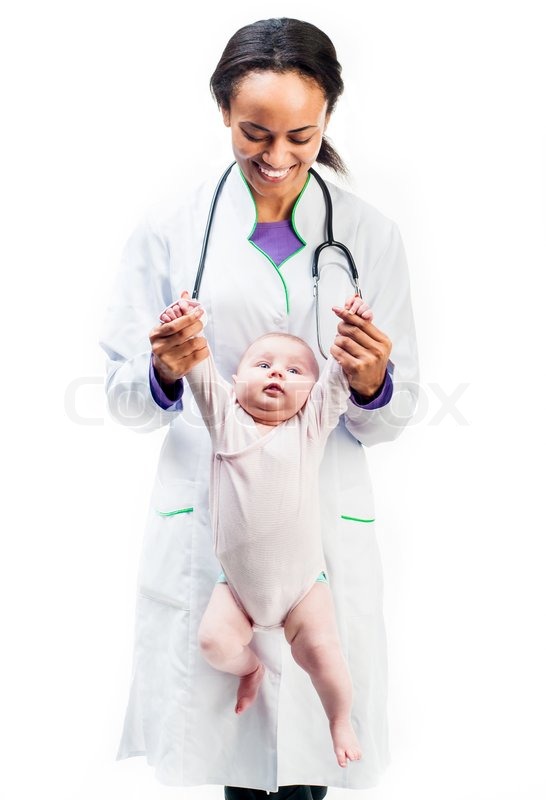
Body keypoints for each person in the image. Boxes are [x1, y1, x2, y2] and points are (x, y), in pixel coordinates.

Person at [99, 16, 419, 799]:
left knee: (313, 753)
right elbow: (124, 398)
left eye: (302, 138)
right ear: (223, 115)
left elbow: (395, 408)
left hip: (319, 539)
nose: (277, 158)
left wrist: (375, 380)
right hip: (213, 535)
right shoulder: (171, 231)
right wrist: (164, 373)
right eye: (254, 133)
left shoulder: (369, 237)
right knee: (228, 759)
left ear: (328, 121)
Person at [158, 294, 372, 768]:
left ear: (313, 392)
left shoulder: (309, 426)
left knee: (326, 659)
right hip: (235, 589)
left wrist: (352, 330)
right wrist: (185, 327)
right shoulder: (226, 422)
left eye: (297, 371)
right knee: (214, 643)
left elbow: (339, 380)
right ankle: (249, 666)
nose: (278, 373)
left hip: (302, 590)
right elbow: (197, 365)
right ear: (235, 384)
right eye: (264, 363)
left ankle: (340, 719)